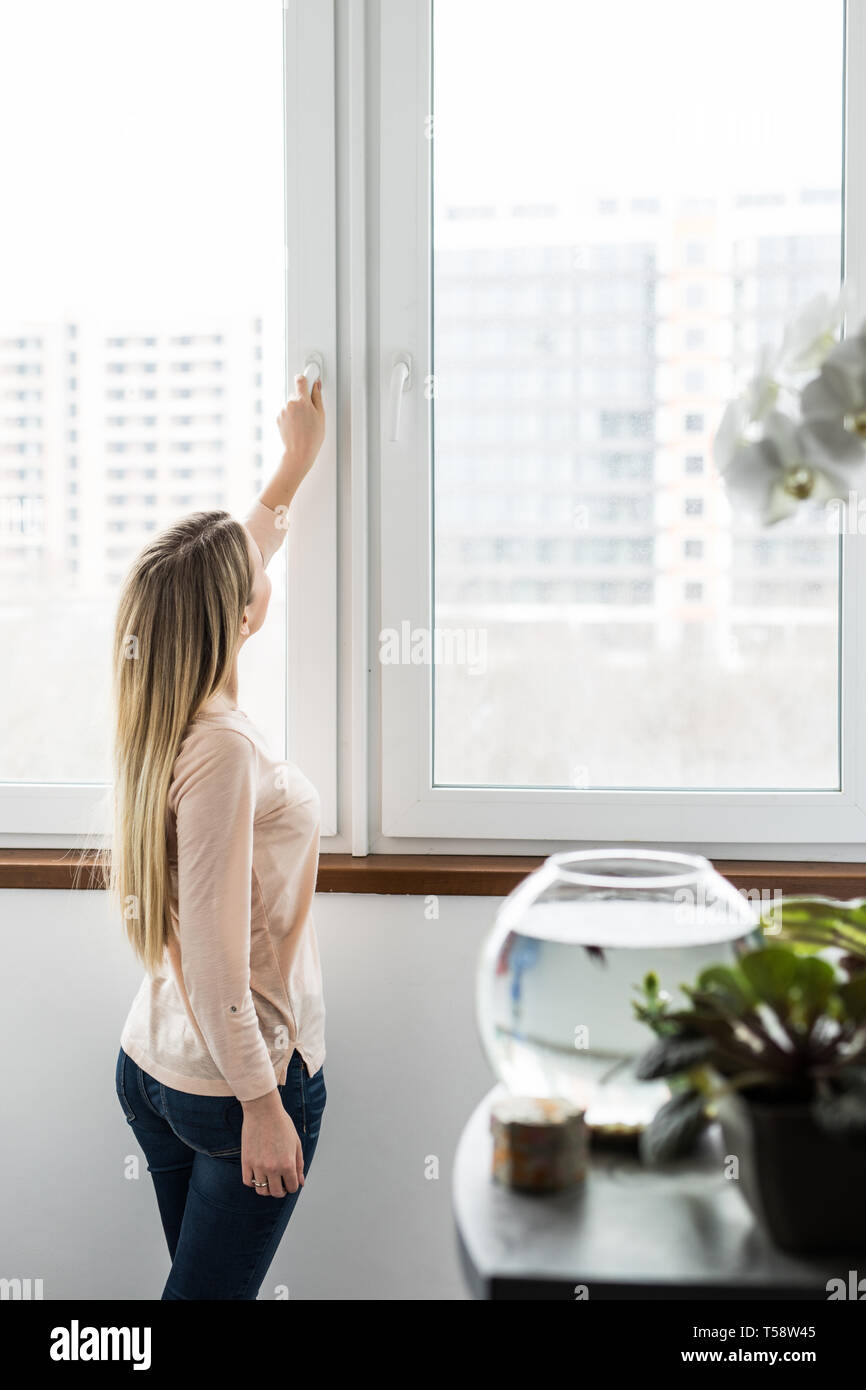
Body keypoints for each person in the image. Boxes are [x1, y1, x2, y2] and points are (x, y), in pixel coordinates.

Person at [111, 373, 327, 1300]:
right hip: (227, 1088)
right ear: (239, 618)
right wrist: (263, 1106)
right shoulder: (225, 748)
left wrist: (292, 468)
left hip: (155, 1065)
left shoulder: (159, 709)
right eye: (252, 585)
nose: (261, 574)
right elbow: (211, 954)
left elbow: (227, 561)